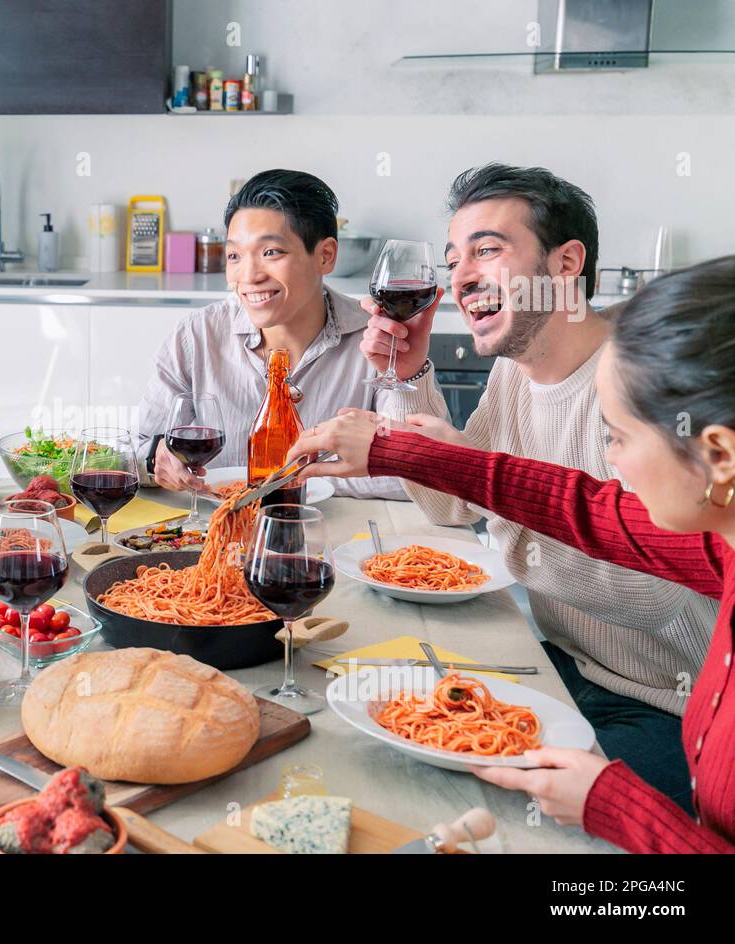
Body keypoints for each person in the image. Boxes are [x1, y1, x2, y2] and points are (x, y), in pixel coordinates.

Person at [287, 256, 735, 854]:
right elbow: (585, 510)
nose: (613, 466)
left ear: (720, 456)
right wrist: (408, 453)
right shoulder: (719, 547)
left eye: (618, 438)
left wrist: (613, 805)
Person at [357, 164, 717, 810]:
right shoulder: (515, 376)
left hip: (667, 704)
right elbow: (451, 506)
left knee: (497, 811)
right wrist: (405, 379)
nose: (461, 276)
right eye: (453, 260)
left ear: (565, 264)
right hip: (563, 666)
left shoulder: (639, 383)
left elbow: (650, 587)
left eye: (487, 250)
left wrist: (485, 486)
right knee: (402, 743)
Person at [133, 169, 445, 500]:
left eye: (271, 253)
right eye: (235, 256)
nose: (249, 276)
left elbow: (429, 476)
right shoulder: (196, 336)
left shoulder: (375, 338)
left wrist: (291, 482)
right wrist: (155, 459)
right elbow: (137, 451)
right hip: (211, 536)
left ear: (325, 256)